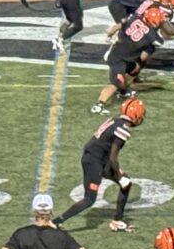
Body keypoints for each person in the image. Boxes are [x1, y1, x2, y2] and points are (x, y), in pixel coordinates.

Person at [52, 96, 146, 232]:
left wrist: (120, 175)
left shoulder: (115, 120)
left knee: (126, 183)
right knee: (89, 199)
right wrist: (119, 176)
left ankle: (117, 221)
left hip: (98, 158)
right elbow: (113, 158)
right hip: (94, 161)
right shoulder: (123, 130)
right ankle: (55, 222)